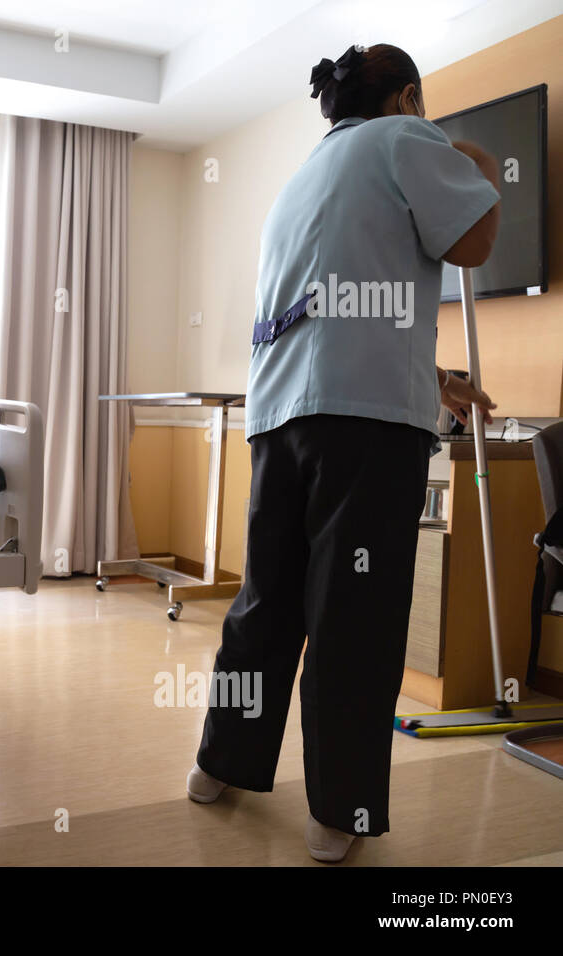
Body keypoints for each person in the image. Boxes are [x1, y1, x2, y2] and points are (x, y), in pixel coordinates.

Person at [185, 44, 501, 862]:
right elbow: (476, 243)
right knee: (352, 616)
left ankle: (218, 764)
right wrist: (469, 156)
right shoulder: (407, 140)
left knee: (267, 603)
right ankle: (341, 813)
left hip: (281, 416)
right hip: (364, 427)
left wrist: (430, 375)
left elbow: (333, 307)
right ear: (406, 98)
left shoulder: (299, 181)